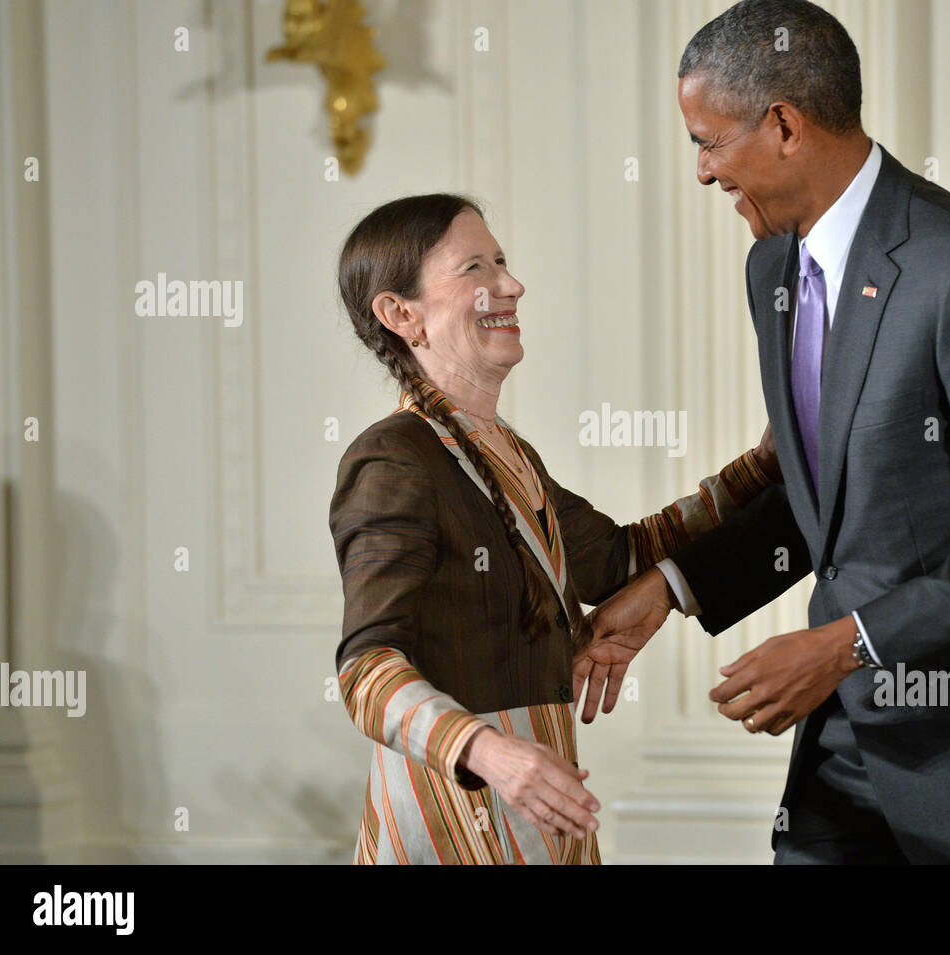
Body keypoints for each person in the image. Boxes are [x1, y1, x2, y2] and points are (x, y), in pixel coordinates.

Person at [574, 0, 950, 864]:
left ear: (783, 125)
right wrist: (674, 584)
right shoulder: (770, 263)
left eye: (708, 141)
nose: (700, 172)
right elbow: (831, 490)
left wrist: (846, 643)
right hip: (851, 744)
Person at [329, 193, 781, 864]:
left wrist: (765, 465)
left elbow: (620, 557)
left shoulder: (501, 449)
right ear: (401, 314)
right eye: (474, 268)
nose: (510, 285)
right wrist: (489, 753)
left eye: (503, 262)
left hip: (536, 814)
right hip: (454, 818)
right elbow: (365, 670)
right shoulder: (394, 458)